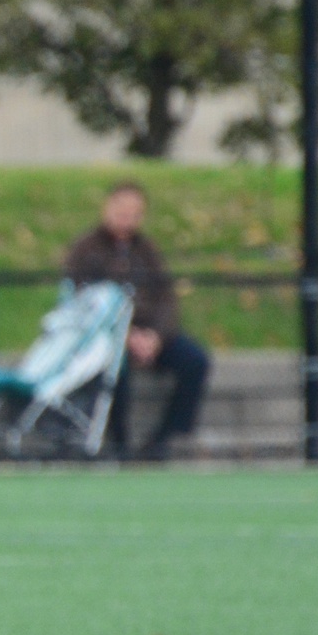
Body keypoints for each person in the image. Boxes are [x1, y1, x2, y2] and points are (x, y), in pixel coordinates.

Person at [64, 182, 212, 460]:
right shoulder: (86, 250)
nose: (127, 218)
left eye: (134, 213)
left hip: (149, 334)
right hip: (109, 337)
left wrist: (155, 336)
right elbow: (84, 303)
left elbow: (166, 300)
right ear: (108, 208)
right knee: (114, 370)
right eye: (122, 211)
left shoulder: (146, 250)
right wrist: (126, 335)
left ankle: (168, 437)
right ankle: (119, 442)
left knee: (194, 360)